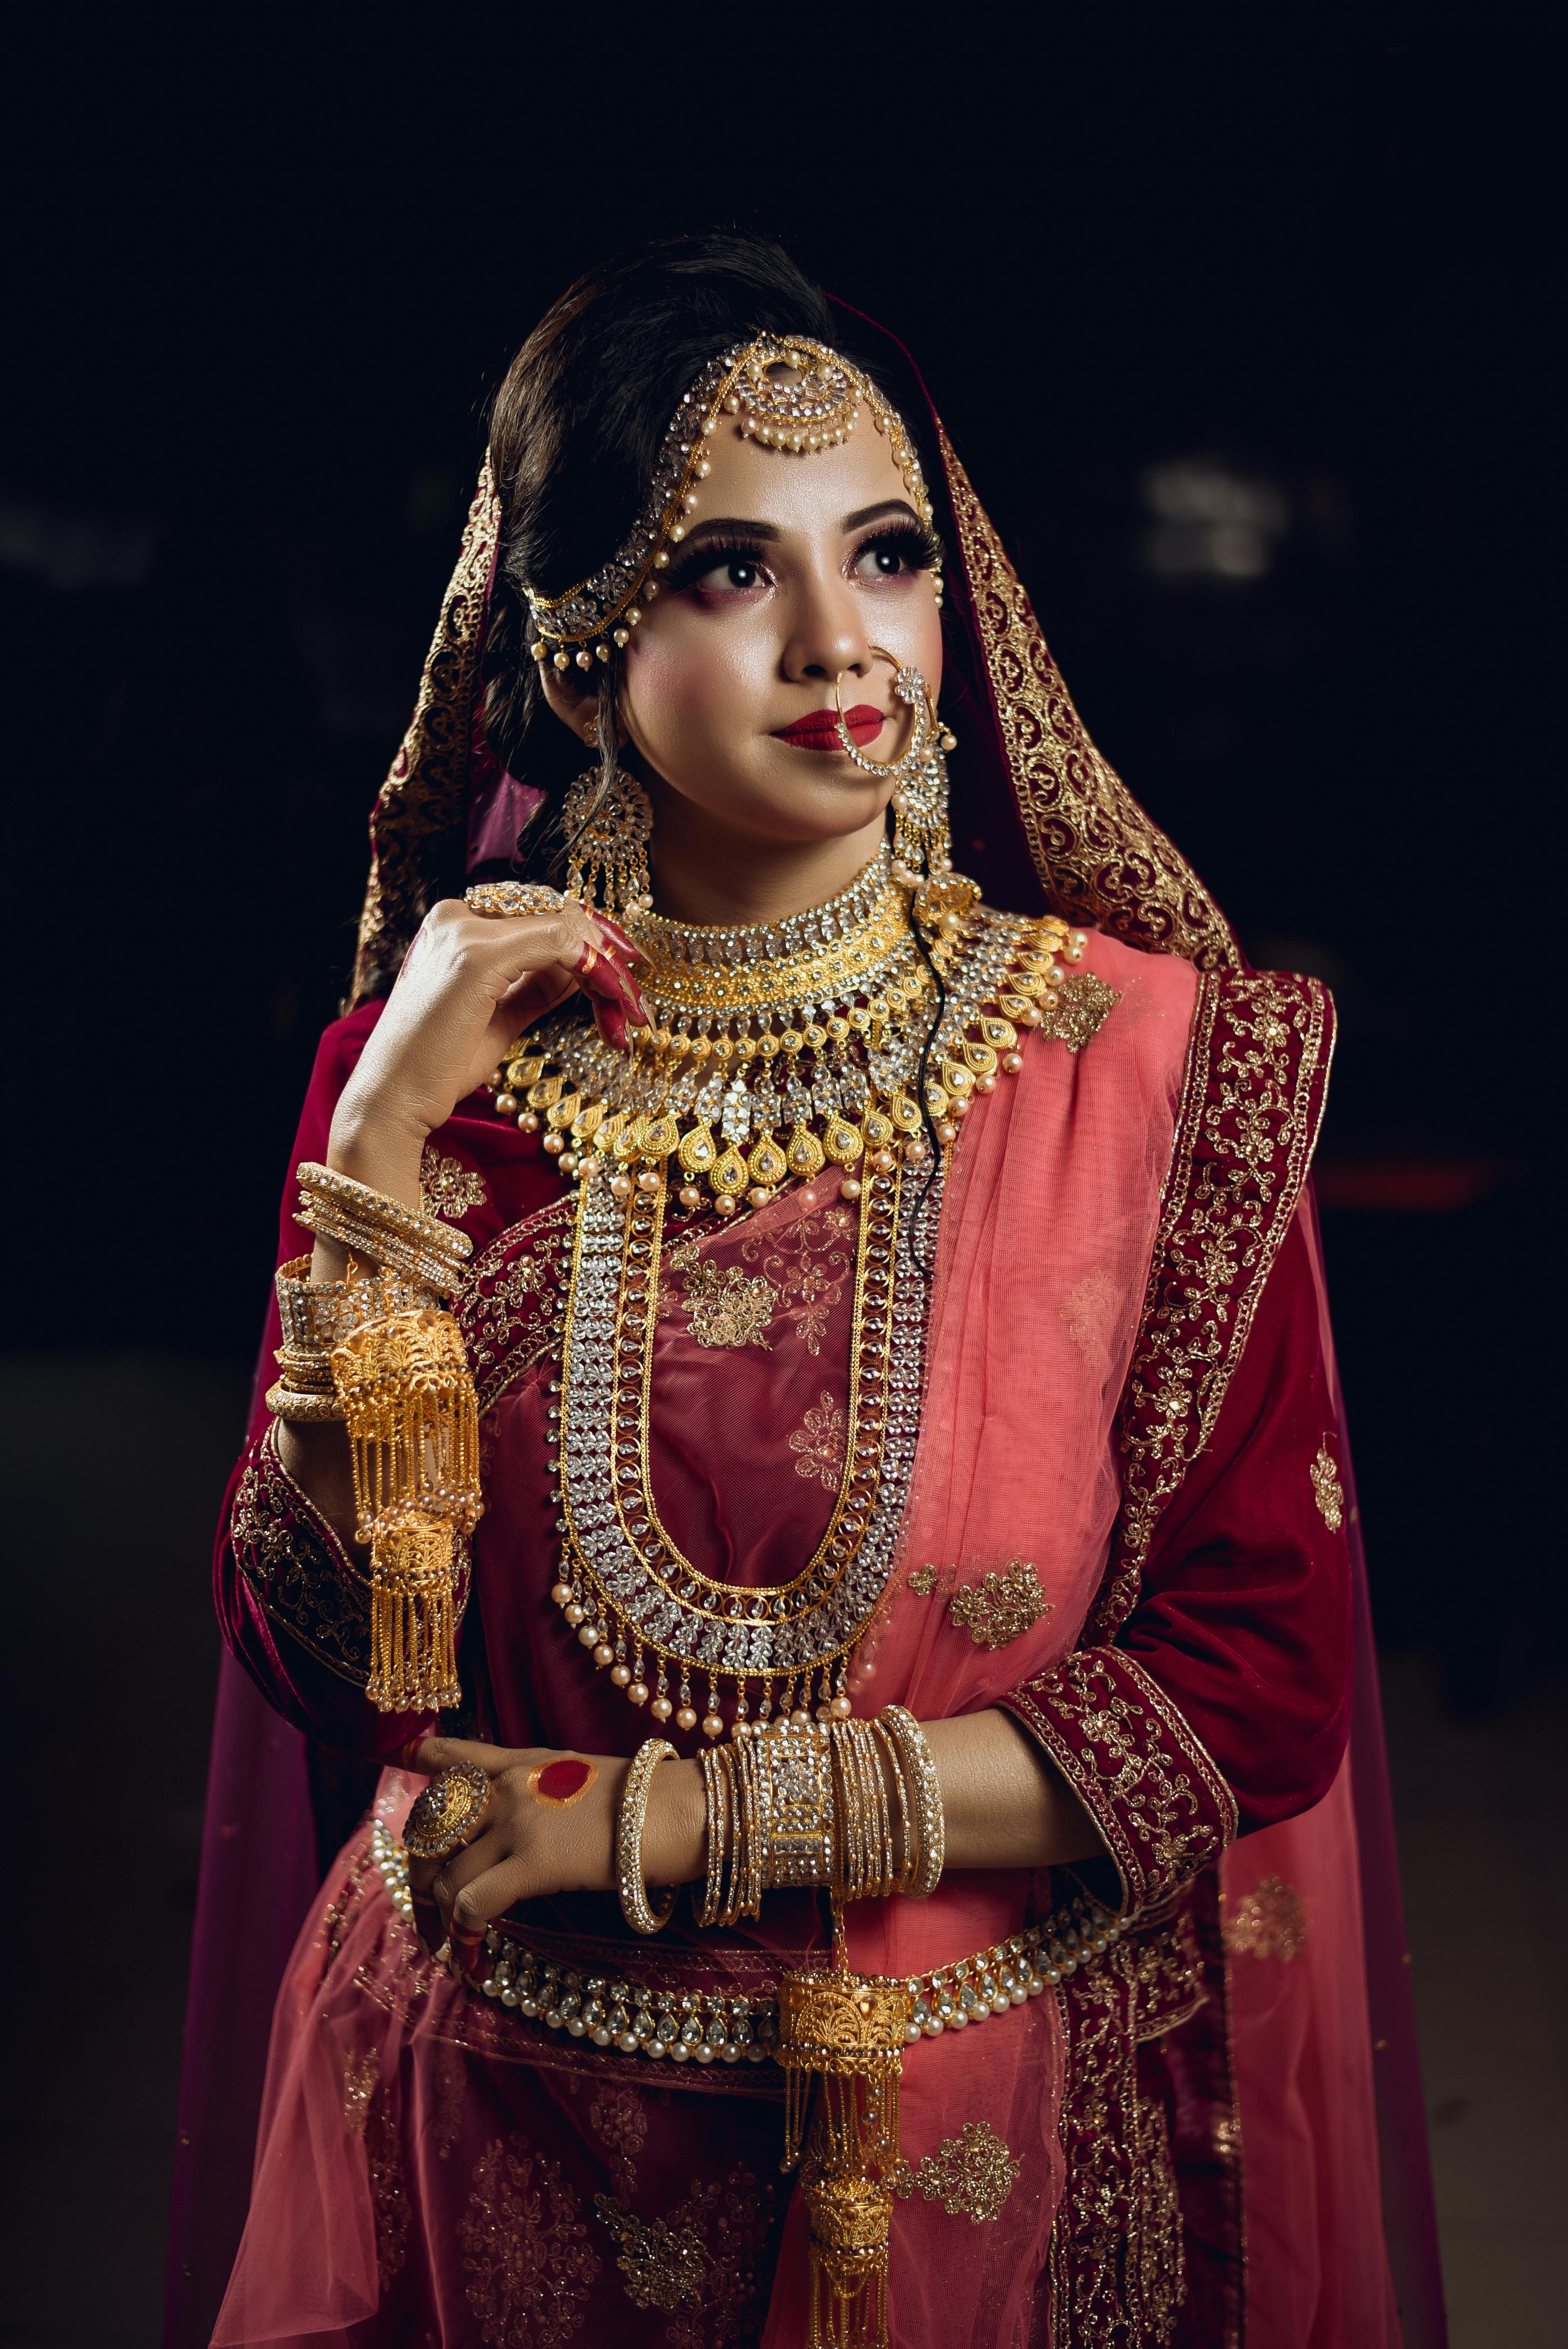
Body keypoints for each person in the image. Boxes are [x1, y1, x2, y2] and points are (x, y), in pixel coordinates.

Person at [187, 233, 1436, 2349]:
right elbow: (342, 1677)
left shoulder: (1152, 1076)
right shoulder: (432, 1082)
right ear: (573, 651)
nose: (841, 640)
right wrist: (383, 1139)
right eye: (722, 572)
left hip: (974, 2149)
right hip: (496, 2139)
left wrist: (668, 1817)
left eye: (884, 553)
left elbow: (1255, 1691)